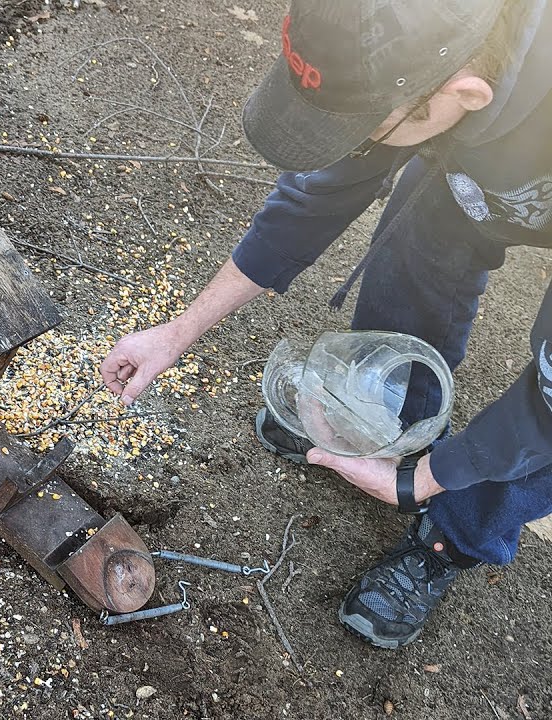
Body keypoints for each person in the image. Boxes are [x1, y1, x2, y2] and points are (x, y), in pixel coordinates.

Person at [100, 0, 552, 650]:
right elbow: (318, 192)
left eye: (362, 128)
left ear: (466, 92)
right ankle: (392, 420)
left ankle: (454, 533)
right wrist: (177, 331)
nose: (351, 142)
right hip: (482, 158)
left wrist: (419, 484)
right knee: (424, 223)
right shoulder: (415, 43)